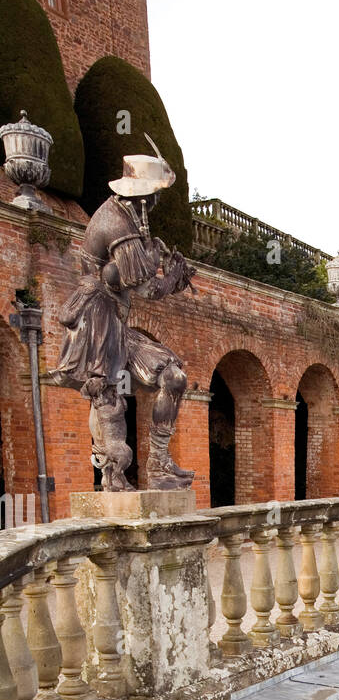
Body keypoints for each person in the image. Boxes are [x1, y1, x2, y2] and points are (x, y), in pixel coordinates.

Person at [48, 136, 195, 491]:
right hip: (97, 325)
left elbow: (140, 281)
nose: (158, 200)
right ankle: (113, 476)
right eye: (156, 193)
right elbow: (145, 288)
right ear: (142, 194)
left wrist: (167, 273)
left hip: (117, 320)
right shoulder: (114, 222)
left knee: (173, 377)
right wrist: (173, 279)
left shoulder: (131, 218)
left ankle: (159, 464)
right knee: (108, 397)